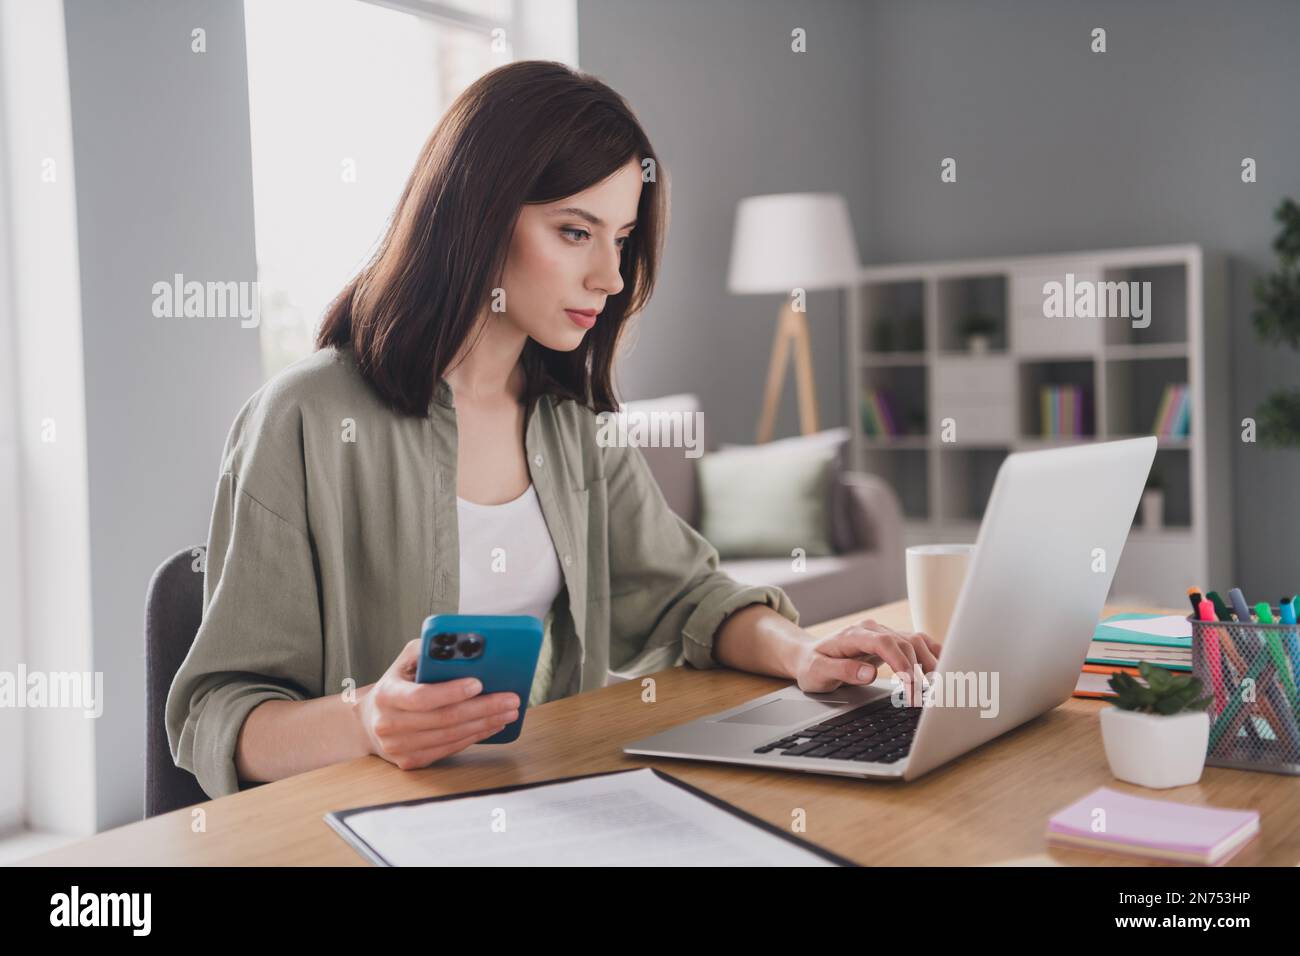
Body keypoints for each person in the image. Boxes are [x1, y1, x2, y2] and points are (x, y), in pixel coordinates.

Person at [166, 60, 940, 800]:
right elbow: (219, 713)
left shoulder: (570, 426)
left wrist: (805, 653)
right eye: (576, 232)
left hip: (538, 794)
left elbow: (689, 598)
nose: (609, 278)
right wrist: (364, 719)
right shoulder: (303, 418)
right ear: (479, 214)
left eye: (622, 240)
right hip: (351, 828)